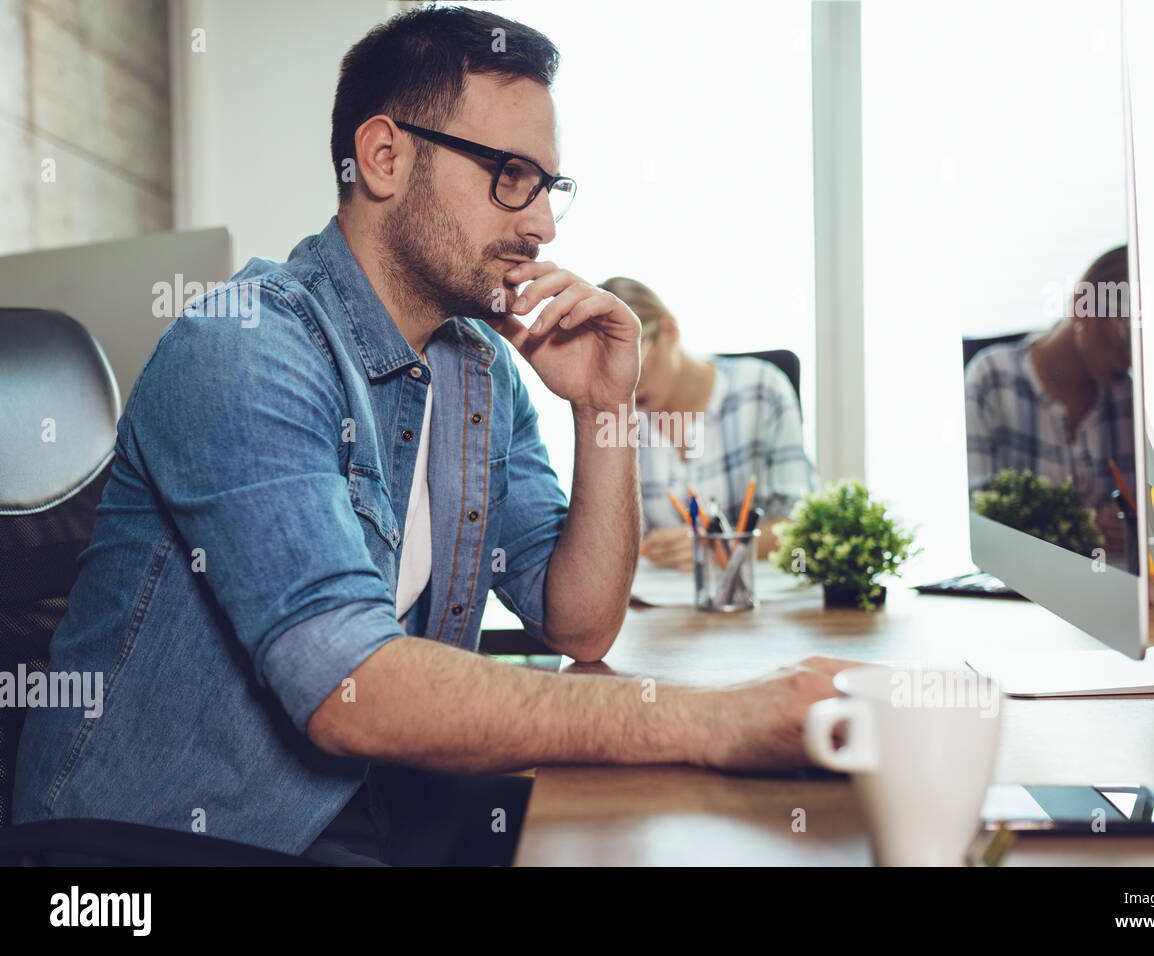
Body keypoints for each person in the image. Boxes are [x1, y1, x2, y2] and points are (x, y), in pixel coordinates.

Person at [11, 6, 857, 867]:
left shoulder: (476, 367)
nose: (543, 227)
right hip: (162, 844)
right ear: (384, 158)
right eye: (510, 175)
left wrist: (604, 411)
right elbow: (354, 690)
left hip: (373, 805)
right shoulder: (243, 346)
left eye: (549, 187)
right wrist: (715, 719)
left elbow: (579, 625)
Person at [599, 277, 817, 572]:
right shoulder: (618, 418)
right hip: (659, 607)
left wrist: (719, 544)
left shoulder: (761, 389)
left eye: (633, 361)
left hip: (751, 601)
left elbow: (801, 526)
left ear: (669, 330)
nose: (626, 385)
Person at [964, 245, 1135, 565]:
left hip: (1108, 592)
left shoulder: (1126, 399)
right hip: (1016, 592)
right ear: (1084, 306)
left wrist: (1133, 526)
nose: (1129, 362)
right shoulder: (991, 381)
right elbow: (979, 522)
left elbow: (1146, 511)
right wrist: (1084, 530)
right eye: (1125, 341)